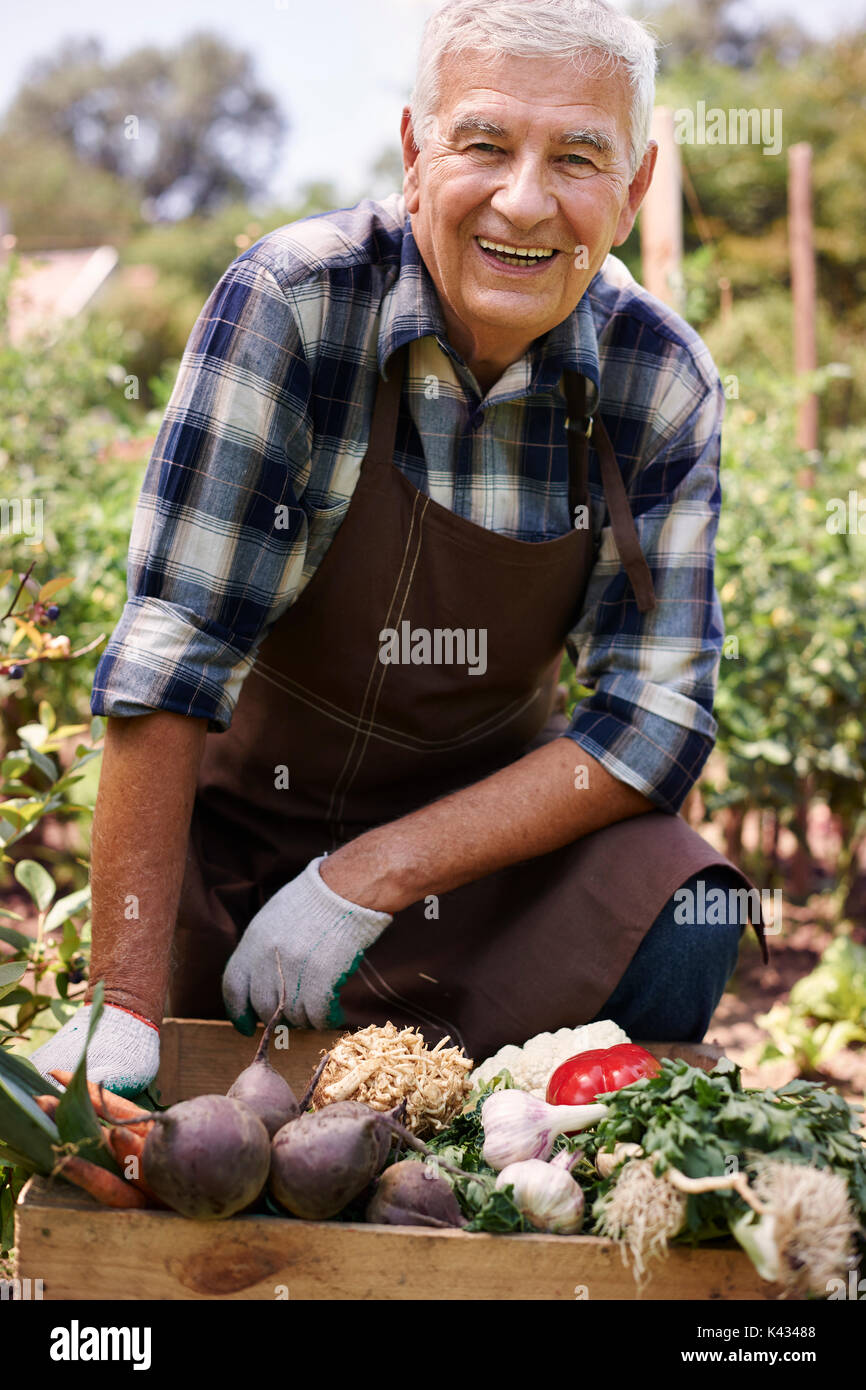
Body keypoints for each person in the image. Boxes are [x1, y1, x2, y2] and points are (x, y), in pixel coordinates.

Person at [32, 0, 767, 1096]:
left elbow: (651, 721)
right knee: (168, 1090)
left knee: (684, 895)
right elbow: (172, 651)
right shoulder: (295, 303)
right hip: (232, 858)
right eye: (483, 143)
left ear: (636, 185)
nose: (524, 199)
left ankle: (563, 1188)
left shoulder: (655, 380)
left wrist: (370, 875)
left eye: (577, 156)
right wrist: (124, 1008)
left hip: (473, 871)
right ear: (416, 150)